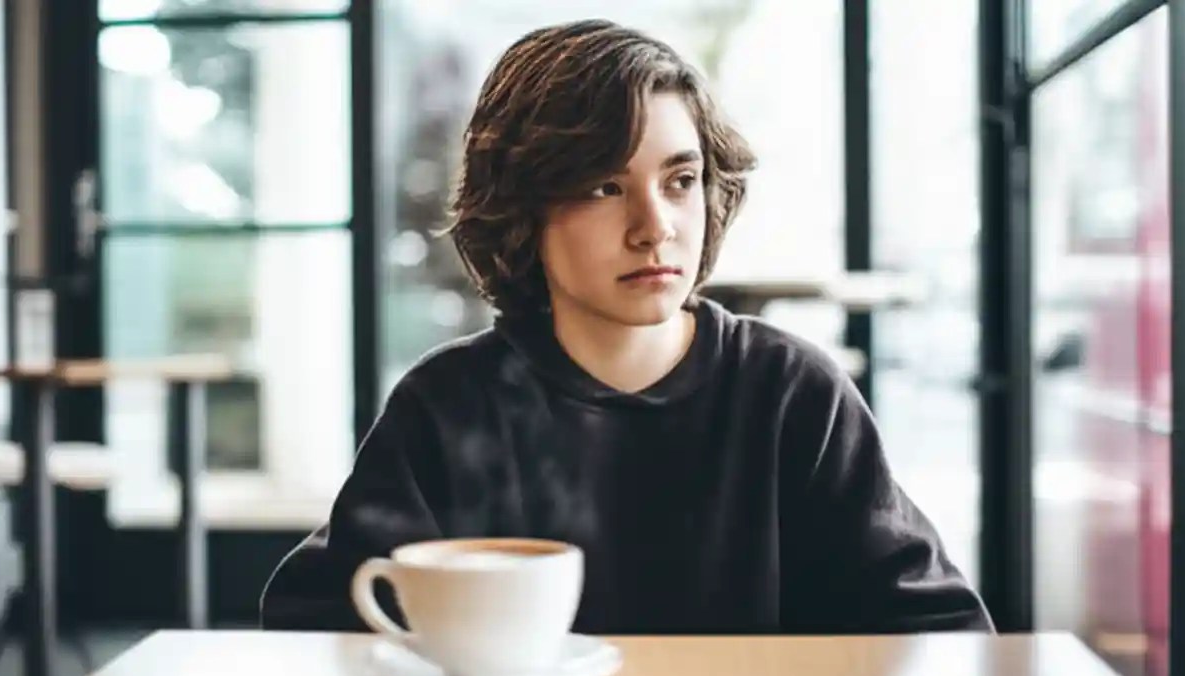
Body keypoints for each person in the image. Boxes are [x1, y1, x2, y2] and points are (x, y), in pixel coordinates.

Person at [320, 19, 992, 634]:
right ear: (523, 208)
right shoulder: (448, 407)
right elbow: (323, 620)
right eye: (605, 188)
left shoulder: (791, 395)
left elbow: (941, 636)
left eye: (680, 179)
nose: (655, 228)